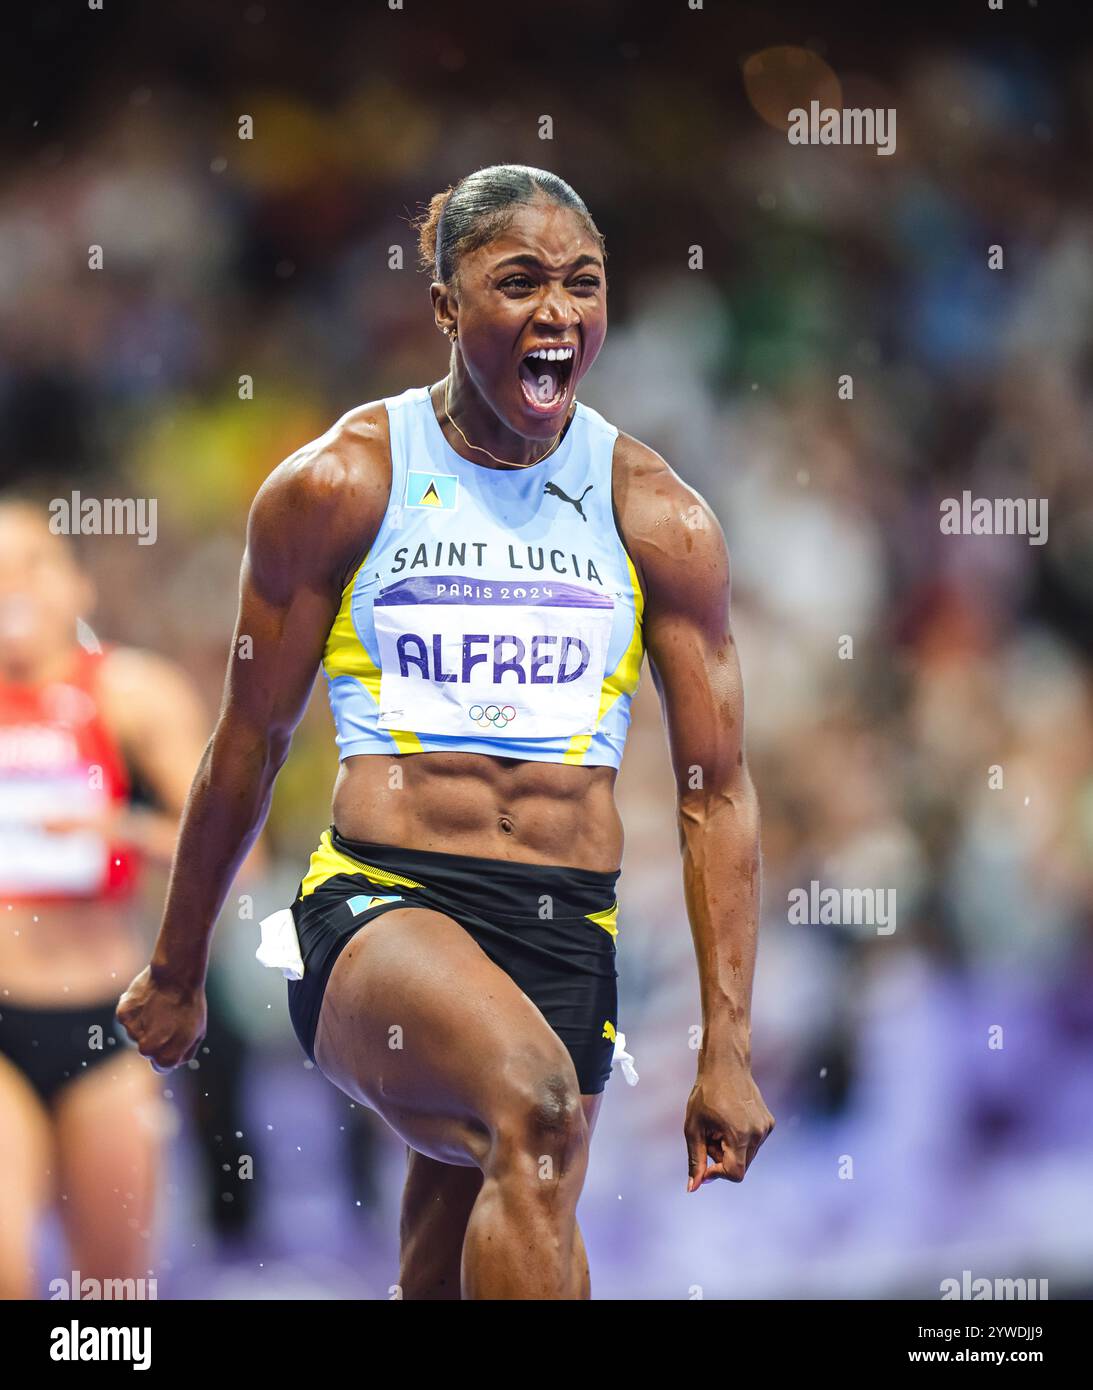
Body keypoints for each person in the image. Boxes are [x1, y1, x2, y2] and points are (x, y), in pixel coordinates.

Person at [117, 164, 774, 1300]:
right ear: (444, 307)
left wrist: (727, 1041)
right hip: (382, 903)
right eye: (519, 281)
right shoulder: (339, 486)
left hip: (568, 932)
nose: (558, 310)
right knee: (535, 1111)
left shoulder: (658, 516)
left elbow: (717, 791)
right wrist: (176, 968)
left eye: (584, 283)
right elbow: (247, 739)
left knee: (467, 1232)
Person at [0, 499, 208, 1299]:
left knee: (111, 1292)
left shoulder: (132, 693)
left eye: (33, 565)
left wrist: (113, 825)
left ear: (78, 586)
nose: (12, 586)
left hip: (101, 1022)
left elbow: (236, 847)